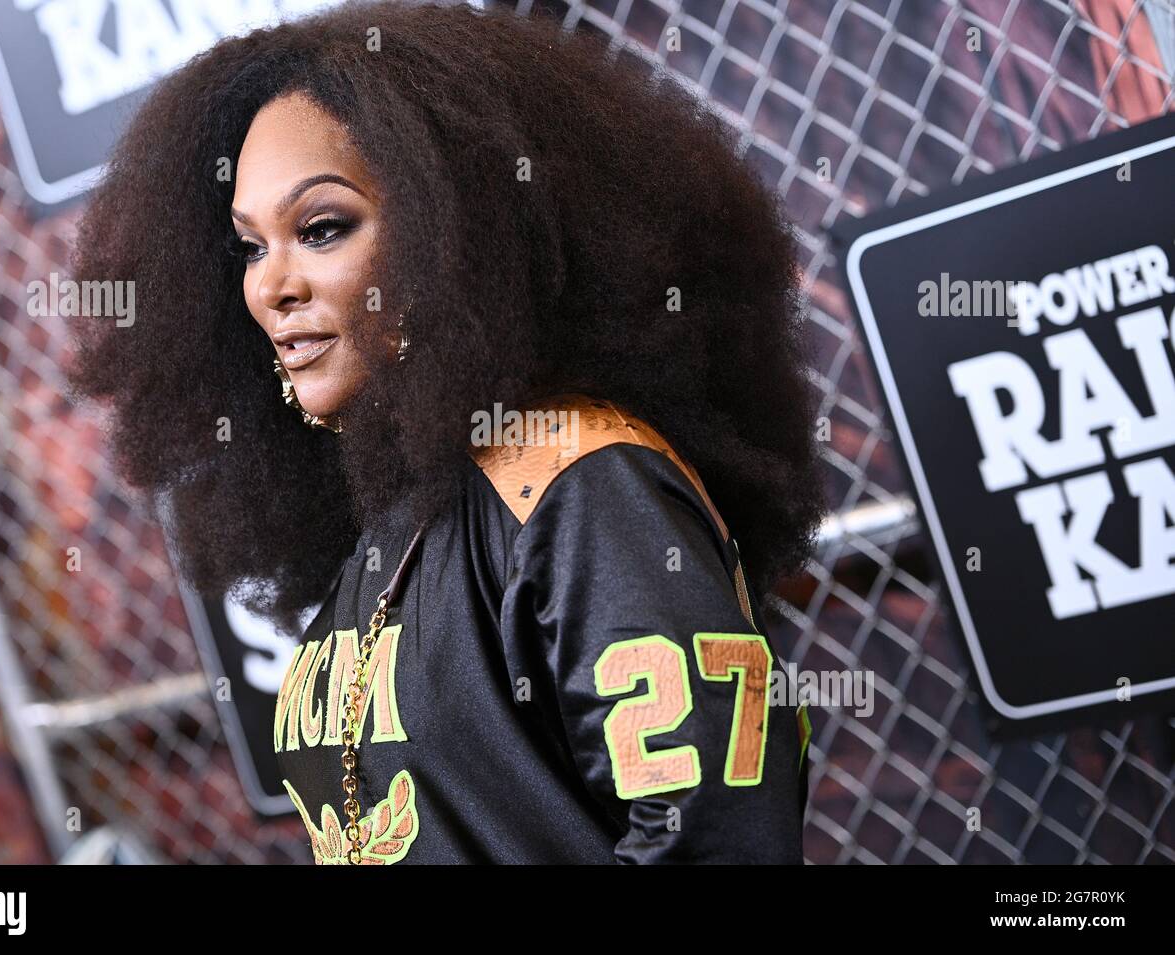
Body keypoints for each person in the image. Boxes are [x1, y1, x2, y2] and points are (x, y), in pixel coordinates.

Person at [68, 0, 825, 864]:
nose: (271, 285)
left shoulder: (577, 481)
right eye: (249, 246)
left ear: (452, 231)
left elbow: (718, 839)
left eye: (321, 229)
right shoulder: (393, 524)